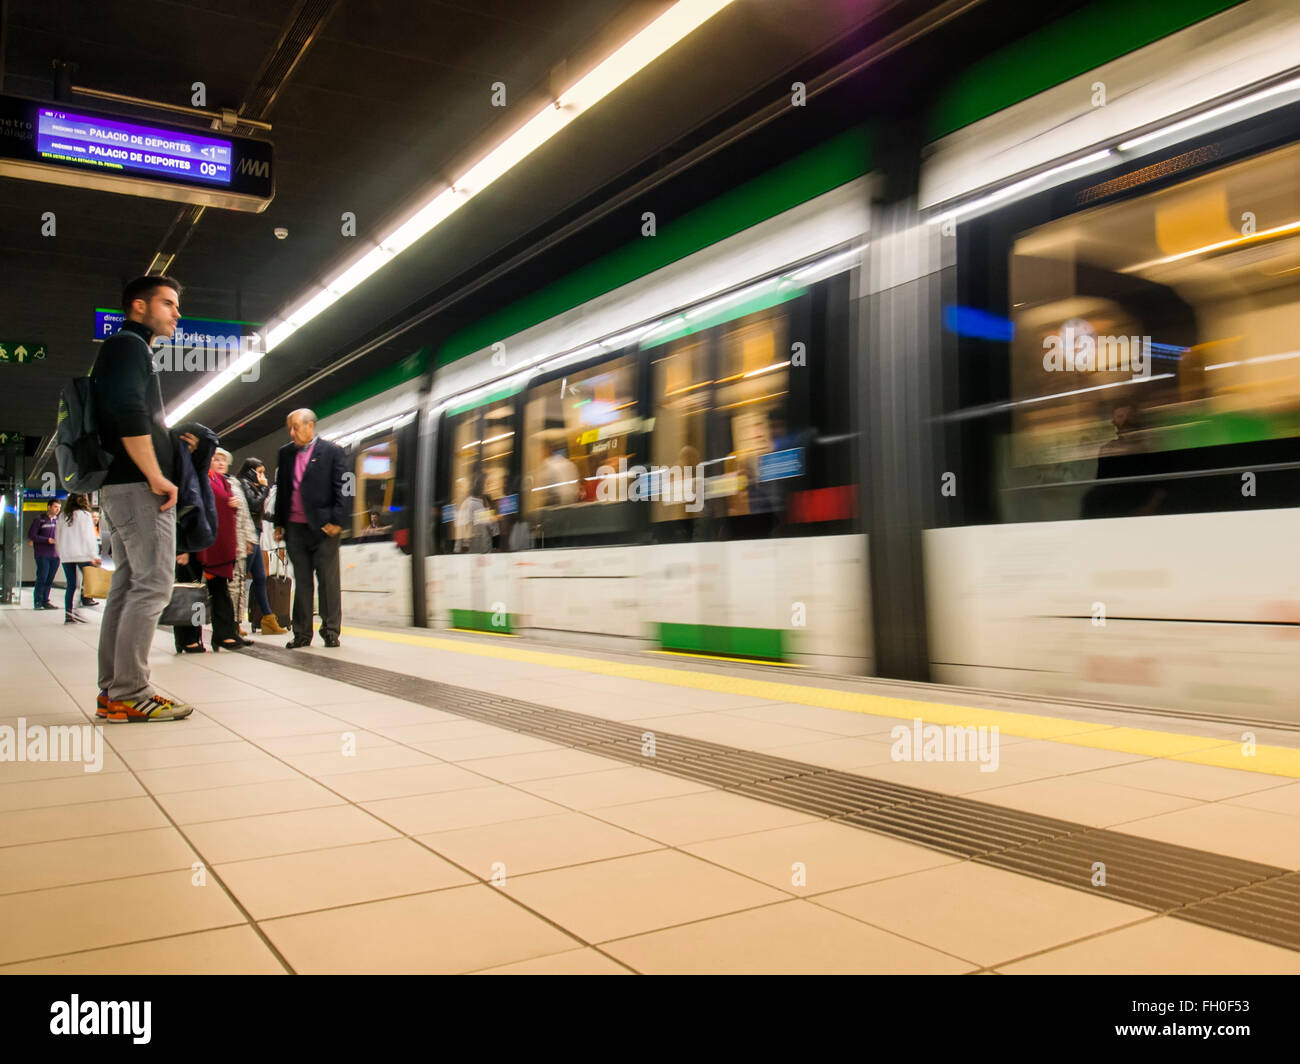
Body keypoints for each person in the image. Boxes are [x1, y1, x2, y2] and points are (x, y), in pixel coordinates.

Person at [92, 275, 197, 723]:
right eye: (169, 304)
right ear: (139, 306)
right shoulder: (129, 347)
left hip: (120, 485)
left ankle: (114, 690)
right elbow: (130, 412)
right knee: (153, 585)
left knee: (129, 585)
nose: (177, 313)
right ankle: (132, 691)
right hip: (137, 486)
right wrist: (156, 474)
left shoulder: (126, 350)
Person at [273, 408, 348, 649]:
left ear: (310, 426)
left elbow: (345, 487)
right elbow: (282, 490)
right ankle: (302, 634)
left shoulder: (332, 452)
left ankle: (330, 630)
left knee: (327, 580)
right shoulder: (285, 454)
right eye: (290, 429)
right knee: (302, 581)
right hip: (295, 527)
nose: (292, 433)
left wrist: (337, 520)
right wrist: (279, 523)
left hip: (324, 527)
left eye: (296, 427)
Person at [197, 449, 256, 651]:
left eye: (224, 460)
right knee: (204, 592)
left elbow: (243, 512)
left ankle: (228, 632)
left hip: (227, 544)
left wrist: (248, 538)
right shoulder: (205, 480)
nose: (221, 463)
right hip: (211, 546)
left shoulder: (227, 483)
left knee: (228, 590)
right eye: (216, 459)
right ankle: (195, 636)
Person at [237, 457, 285, 635]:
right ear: (250, 471)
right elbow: (254, 504)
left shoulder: (250, 485)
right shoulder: (243, 483)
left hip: (256, 532)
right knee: (241, 578)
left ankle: (268, 619)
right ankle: (234, 621)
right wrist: (264, 488)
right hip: (249, 534)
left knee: (259, 577)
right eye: (260, 472)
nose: (263, 476)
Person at [55, 494, 101, 623]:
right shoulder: (85, 515)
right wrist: (94, 555)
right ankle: (78, 608)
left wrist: (60, 553)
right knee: (88, 582)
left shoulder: (63, 516)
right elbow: (89, 537)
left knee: (71, 584)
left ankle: (69, 614)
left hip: (67, 555)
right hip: (82, 554)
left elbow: (57, 536)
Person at [27, 499, 60, 609]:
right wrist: (47, 540)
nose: (57, 510)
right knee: (42, 577)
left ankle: (45, 600)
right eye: (55, 507)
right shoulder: (39, 520)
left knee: (50, 578)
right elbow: (32, 535)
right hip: (42, 554)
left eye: (59, 507)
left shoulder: (58, 520)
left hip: (55, 554)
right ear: (49, 507)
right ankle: (38, 601)